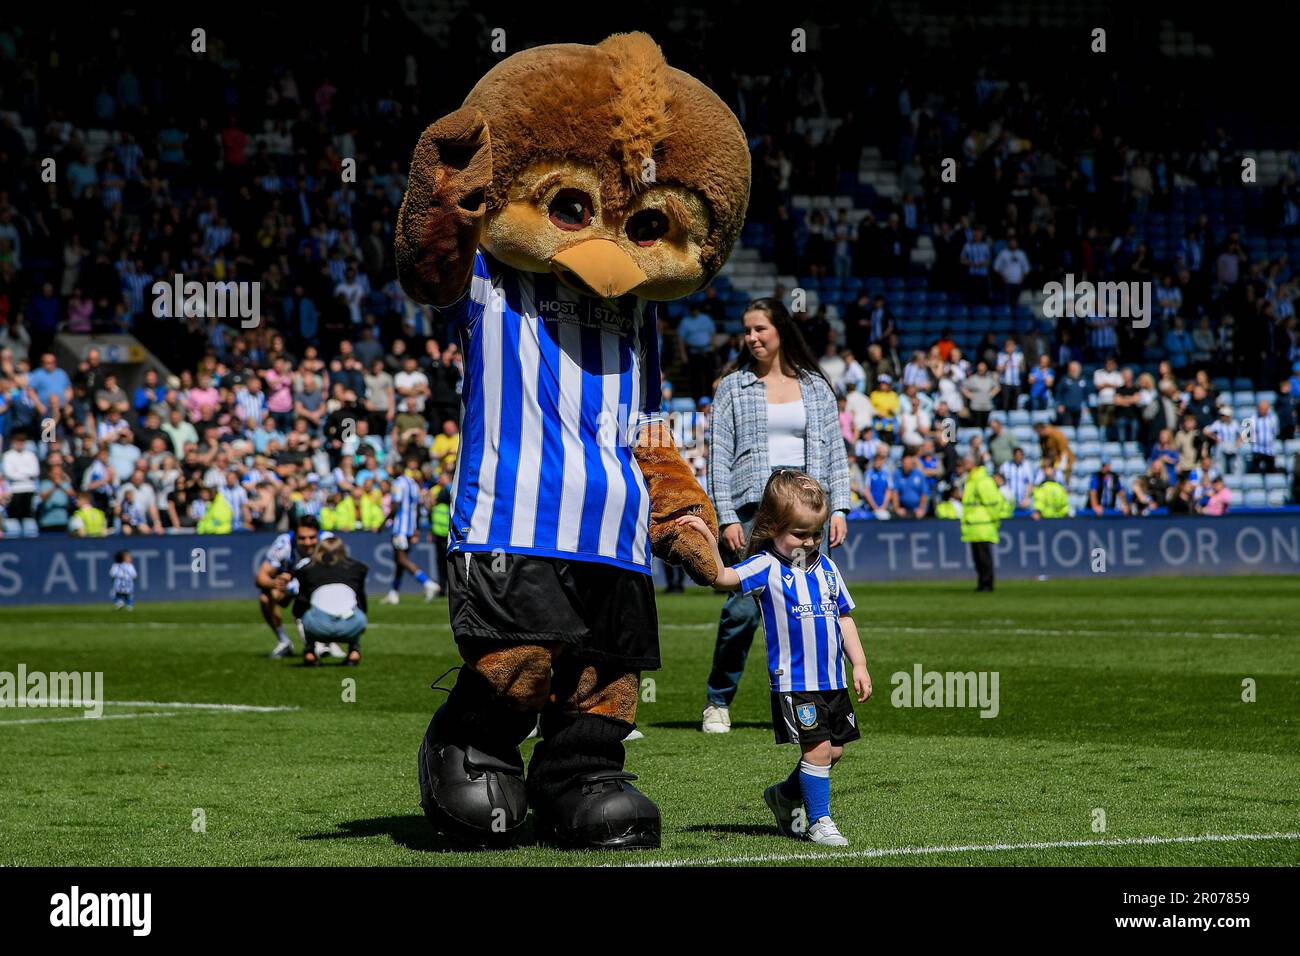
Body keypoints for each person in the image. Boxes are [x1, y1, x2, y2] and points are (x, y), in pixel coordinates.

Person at [676, 470, 871, 847]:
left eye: (815, 533)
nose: (810, 541)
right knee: (815, 750)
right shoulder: (766, 566)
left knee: (834, 750)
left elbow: (844, 617)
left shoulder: (828, 569)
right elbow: (722, 578)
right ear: (772, 526)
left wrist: (858, 664)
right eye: (800, 533)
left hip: (834, 679)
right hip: (795, 681)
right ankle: (819, 821)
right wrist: (706, 536)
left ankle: (782, 796)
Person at [703, 298, 851, 734]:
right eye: (747, 331)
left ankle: (812, 702)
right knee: (743, 610)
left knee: (812, 607)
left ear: (781, 330)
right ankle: (717, 701)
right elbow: (719, 457)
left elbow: (835, 450)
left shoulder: (816, 386)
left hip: (807, 508)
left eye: (760, 329)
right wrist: (726, 515)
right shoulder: (732, 387)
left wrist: (838, 506)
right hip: (755, 510)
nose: (752, 338)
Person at [254, 514, 340, 659]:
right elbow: (260, 577)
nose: (307, 542)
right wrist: (276, 582)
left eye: (312, 537)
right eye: (302, 538)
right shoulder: (284, 543)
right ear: (294, 535)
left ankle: (328, 640)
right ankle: (284, 642)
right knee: (265, 597)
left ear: (318, 534)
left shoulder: (328, 542)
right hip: (291, 586)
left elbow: (339, 575)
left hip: (319, 588)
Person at [293, 535, 370, 666]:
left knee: (306, 613)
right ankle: (354, 650)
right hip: (352, 626)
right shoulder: (357, 569)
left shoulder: (307, 571)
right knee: (355, 610)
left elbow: (300, 606)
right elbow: (361, 602)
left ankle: (310, 651)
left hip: (317, 627)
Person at [381, 456, 439, 604]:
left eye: (392, 468)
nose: (390, 470)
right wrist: (416, 528)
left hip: (400, 528)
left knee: (401, 559)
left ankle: (428, 583)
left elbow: (395, 505)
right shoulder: (413, 484)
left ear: (397, 469)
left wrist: (382, 523)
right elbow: (418, 507)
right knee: (398, 561)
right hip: (410, 527)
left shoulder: (398, 483)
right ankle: (394, 593)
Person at [960, 454, 1002, 592]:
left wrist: (994, 520)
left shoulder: (982, 481)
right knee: (978, 558)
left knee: (984, 558)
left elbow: (992, 503)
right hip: (975, 525)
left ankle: (987, 584)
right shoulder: (972, 480)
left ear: (973, 464)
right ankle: (982, 582)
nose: (964, 464)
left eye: (966, 461)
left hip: (982, 525)